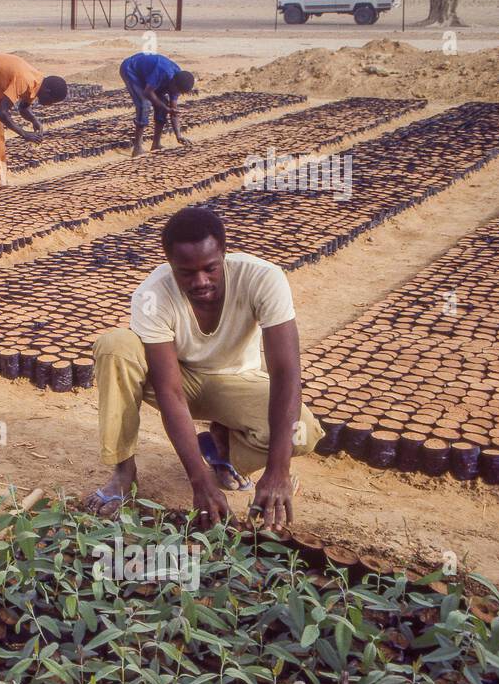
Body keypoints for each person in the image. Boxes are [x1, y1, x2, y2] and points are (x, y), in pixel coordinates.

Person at [84, 206, 322, 531]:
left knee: (303, 431)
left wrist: (277, 470)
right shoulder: (152, 296)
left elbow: (287, 373)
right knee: (116, 346)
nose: (200, 281)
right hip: (180, 380)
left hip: (235, 379)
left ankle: (222, 452)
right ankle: (124, 473)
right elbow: (170, 391)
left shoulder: (263, 278)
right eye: (186, 272)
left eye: (210, 268)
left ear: (224, 252)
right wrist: (197, 481)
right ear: (170, 264)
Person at [0, 54, 68, 190]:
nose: (49, 105)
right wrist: (24, 134)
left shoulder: (37, 82)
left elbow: (23, 108)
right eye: (51, 101)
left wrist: (34, 120)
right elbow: (2, 112)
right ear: (47, 91)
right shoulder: (26, 79)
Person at [119, 51, 195, 157]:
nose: (176, 93)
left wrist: (178, 135)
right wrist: (165, 108)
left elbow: (173, 111)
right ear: (173, 82)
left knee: (163, 104)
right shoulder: (163, 71)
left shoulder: (178, 84)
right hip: (131, 69)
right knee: (144, 104)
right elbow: (147, 92)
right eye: (176, 90)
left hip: (148, 75)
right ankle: (137, 148)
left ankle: (156, 144)